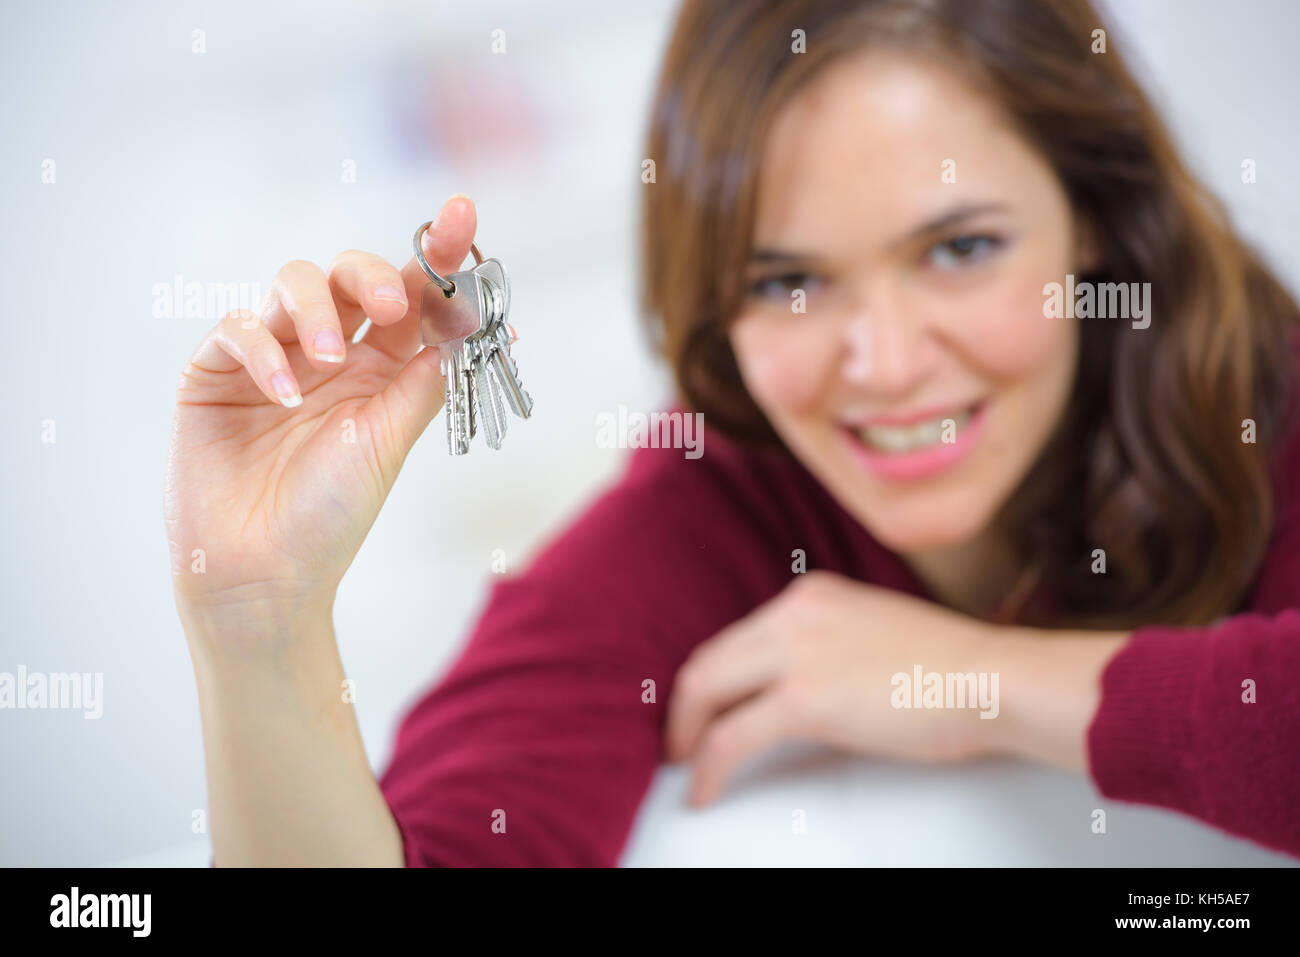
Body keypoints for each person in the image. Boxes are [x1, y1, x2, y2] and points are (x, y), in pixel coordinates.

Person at [164, 0, 1300, 866]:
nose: (885, 362)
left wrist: (969, 679)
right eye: (788, 282)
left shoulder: (1267, 401)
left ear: (1093, 219)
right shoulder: (712, 502)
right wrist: (259, 627)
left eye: (961, 249)